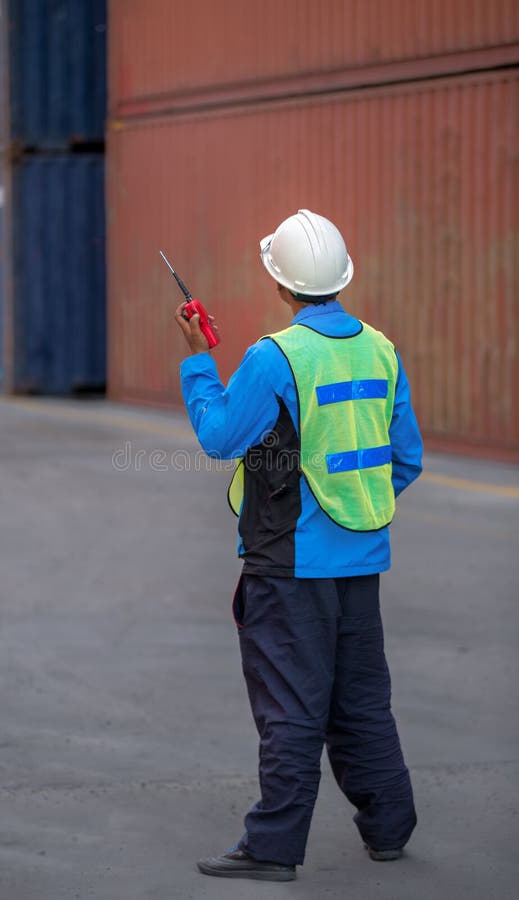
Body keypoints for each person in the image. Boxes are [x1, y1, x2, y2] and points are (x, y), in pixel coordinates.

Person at [174, 209, 423, 882]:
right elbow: (404, 459)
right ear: (341, 277)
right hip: (360, 562)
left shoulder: (274, 356)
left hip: (289, 563)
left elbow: (220, 437)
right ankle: (389, 829)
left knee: (290, 706)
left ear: (279, 283)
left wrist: (198, 361)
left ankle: (273, 848)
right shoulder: (381, 349)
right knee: (361, 702)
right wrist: (356, 507)